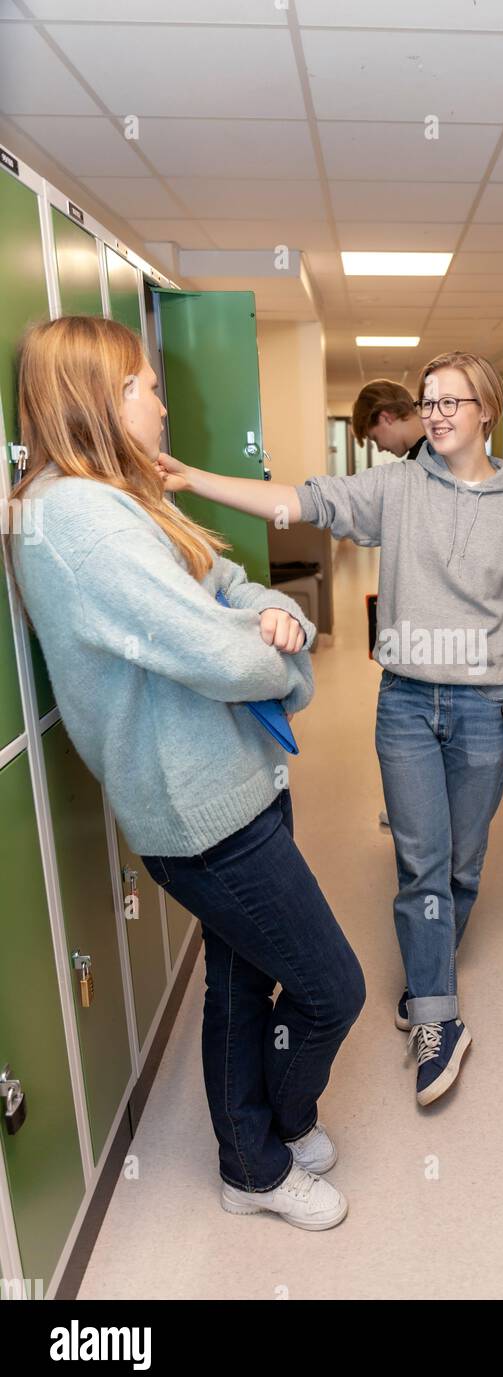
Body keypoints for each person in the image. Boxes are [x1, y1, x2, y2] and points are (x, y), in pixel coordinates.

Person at [8, 316, 364, 1231]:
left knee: (242, 983)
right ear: (96, 397)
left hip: (238, 785)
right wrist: (286, 656)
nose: (162, 404)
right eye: (145, 387)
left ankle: (251, 1160)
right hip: (201, 814)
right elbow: (216, 651)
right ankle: (273, 1135)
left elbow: (232, 585)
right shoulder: (75, 519)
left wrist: (279, 612)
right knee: (333, 987)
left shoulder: (117, 498)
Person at [155, 351, 503, 1107]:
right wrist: (193, 480)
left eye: (454, 401)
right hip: (408, 705)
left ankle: (427, 972)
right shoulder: (396, 486)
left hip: (484, 708)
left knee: (464, 864)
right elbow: (300, 501)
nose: (439, 412)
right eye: (430, 401)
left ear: (485, 410)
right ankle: (440, 1016)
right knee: (422, 861)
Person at [350, 380, 426, 830]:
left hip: (426, 620)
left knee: (410, 729)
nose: (381, 449)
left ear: (386, 418)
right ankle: (411, 810)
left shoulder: (426, 462)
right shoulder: (417, 460)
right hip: (412, 608)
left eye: (377, 439)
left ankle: (413, 813)